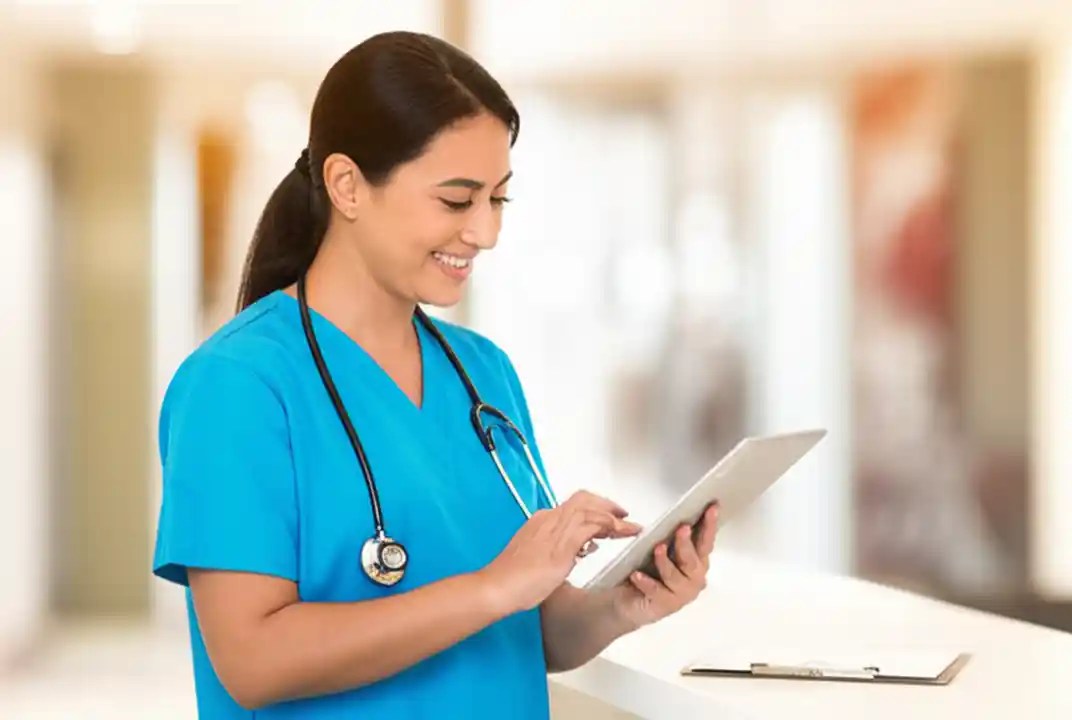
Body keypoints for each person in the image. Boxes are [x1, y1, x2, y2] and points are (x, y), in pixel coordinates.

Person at [151, 30, 718, 719]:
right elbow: (252, 660)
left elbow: (528, 630)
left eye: (498, 200)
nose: (485, 232)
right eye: (456, 200)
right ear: (347, 185)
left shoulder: (484, 375)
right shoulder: (239, 385)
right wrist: (490, 587)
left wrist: (619, 606)